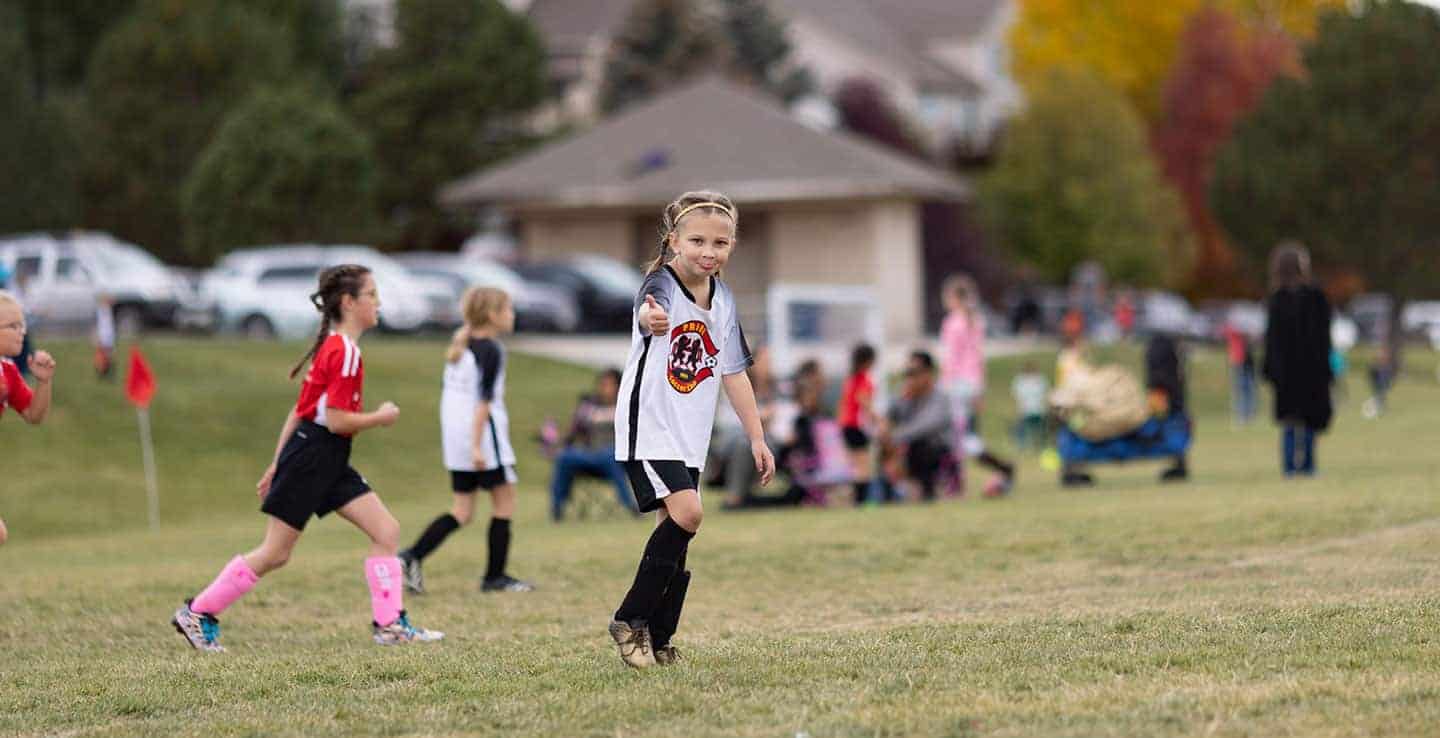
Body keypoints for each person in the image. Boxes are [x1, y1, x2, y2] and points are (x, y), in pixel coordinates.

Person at [171, 265, 442, 652]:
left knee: (386, 531)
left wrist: (278, 461)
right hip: (315, 455)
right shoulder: (344, 351)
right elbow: (336, 420)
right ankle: (198, 612)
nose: (378, 302)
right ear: (349, 302)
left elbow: (300, 412)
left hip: (323, 455)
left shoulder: (335, 346)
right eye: (372, 294)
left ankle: (390, 626)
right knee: (275, 553)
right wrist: (381, 417)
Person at [608, 191, 775, 669]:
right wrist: (652, 318)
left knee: (677, 530)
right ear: (674, 241)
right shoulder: (659, 283)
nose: (709, 251)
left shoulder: (723, 301)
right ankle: (629, 619)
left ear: (732, 246)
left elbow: (734, 373)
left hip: (690, 434)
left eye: (720, 243)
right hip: (649, 425)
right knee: (690, 513)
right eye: (697, 240)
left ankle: (660, 640)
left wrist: (757, 436)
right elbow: (648, 309)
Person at [399, 287, 533, 594]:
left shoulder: (460, 347)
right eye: (508, 309)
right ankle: (494, 578)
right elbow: (484, 402)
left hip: (456, 441)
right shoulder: (491, 349)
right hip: (481, 441)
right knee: (505, 503)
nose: (512, 315)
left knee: (462, 511)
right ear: (492, 315)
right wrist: (476, 446)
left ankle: (410, 556)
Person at [939, 274, 1015, 496]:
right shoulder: (976, 321)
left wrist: (944, 384)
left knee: (956, 436)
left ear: (954, 298)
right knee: (967, 435)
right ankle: (1001, 468)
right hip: (972, 385)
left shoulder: (953, 323)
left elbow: (951, 358)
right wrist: (979, 390)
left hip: (956, 385)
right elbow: (978, 358)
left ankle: (957, 481)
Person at [1262, 242, 1332, 477]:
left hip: (1288, 373)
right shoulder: (1313, 297)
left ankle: (1290, 467)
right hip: (1309, 371)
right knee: (1305, 421)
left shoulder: (1278, 300)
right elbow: (1324, 338)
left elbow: (1271, 341)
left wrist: (1272, 370)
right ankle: (1307, 466)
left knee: (1292, 422)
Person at [1, 290, 58, 546]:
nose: (21, 332)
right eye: (13, 326)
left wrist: (43, 382)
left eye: (22, 325)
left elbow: (34, 415)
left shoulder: (8, 371)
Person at [547, 367, 635, 520]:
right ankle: (557, 507)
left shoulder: (626, 405)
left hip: (616, 458)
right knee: (564, 457)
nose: (604, 388)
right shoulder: (588, 407)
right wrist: (557, 444)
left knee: (609, 455)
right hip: (590, 455)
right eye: (602, 384)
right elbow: (573, 433)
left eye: (609, 384)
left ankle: (630, 505)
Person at [880, 351, 954, 501]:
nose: (909, 378)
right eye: (907, 373)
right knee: (884, 447)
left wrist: (892, 438)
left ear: (928, 374)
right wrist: (902, 400)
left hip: (936, 453)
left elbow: (924, 426)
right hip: (908, 452)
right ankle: (889, 495)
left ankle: (927, 494)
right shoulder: (905, 397)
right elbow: (887, 417)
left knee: (922, 445)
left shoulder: (940, 398)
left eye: (914, 373)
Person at [837, 343, 877, 505]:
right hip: (856, 426)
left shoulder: (850, 379)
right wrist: (877, 419)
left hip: (846, 425)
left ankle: (856, 499)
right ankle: (862, 500)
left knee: (855, 465)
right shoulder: (863, 379)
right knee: (863, 464)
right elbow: (863, 400)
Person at [1145, 333, 1189, 482]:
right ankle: (1179, 462)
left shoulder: (1156, 347)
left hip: (1161, 395)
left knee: (1167, 428)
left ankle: (1178, 462)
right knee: (1172, 428)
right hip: (1169, 396)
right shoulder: (1166, 348)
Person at [1222, 321, 1256, 425]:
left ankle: (1248, 414)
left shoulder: (1243, 329)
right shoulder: (1233, 329)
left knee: (1248, 388)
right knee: (1240, 389)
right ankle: (1241, 415)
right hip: (1238, 361)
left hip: (1247, 361)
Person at [1010, 361, 1048, 451]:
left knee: (1038, 429)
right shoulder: (1020, 380)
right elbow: (1017, 396)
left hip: (1037, 410)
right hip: (1027, 410)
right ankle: (1023, 445)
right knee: (1022, 427)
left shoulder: (1040, 380)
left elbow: (1044, 395)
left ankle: (1037, 444)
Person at [95, 294, 116, 380]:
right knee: (103, 354)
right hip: (104, 336)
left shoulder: (107, 310)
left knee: (108, 355)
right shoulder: (101, 310)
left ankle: (106, 371)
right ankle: (103, 371)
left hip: (108, 336)